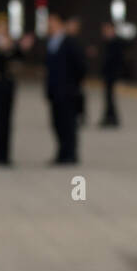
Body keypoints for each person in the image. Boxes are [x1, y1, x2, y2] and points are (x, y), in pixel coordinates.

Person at [44, 12, 79, 164]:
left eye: (51, 22)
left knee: (68, 124)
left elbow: (80, 66)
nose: (48, 26)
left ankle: (70, 154)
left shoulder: (70, 42)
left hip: (68, 91)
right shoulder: (51, 42)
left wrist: (72, 84)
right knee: (57, 123)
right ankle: (61, 152)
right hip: (54, 91)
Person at [0, 13, 20, 166]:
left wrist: (15, 47)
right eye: (0, 26)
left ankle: (6, 154)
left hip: (9, 83)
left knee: (7, 120)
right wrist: (3, 49)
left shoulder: (11, 42)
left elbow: (19, 57)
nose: (3, 28)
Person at [99, 21, 126, 127]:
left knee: (110, 97)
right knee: (108, 97)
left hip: (112, 74)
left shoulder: (115, 42)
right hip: (108, 74)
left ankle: (112, 117)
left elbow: (116, 59)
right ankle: (109, 116)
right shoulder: (107, 42)